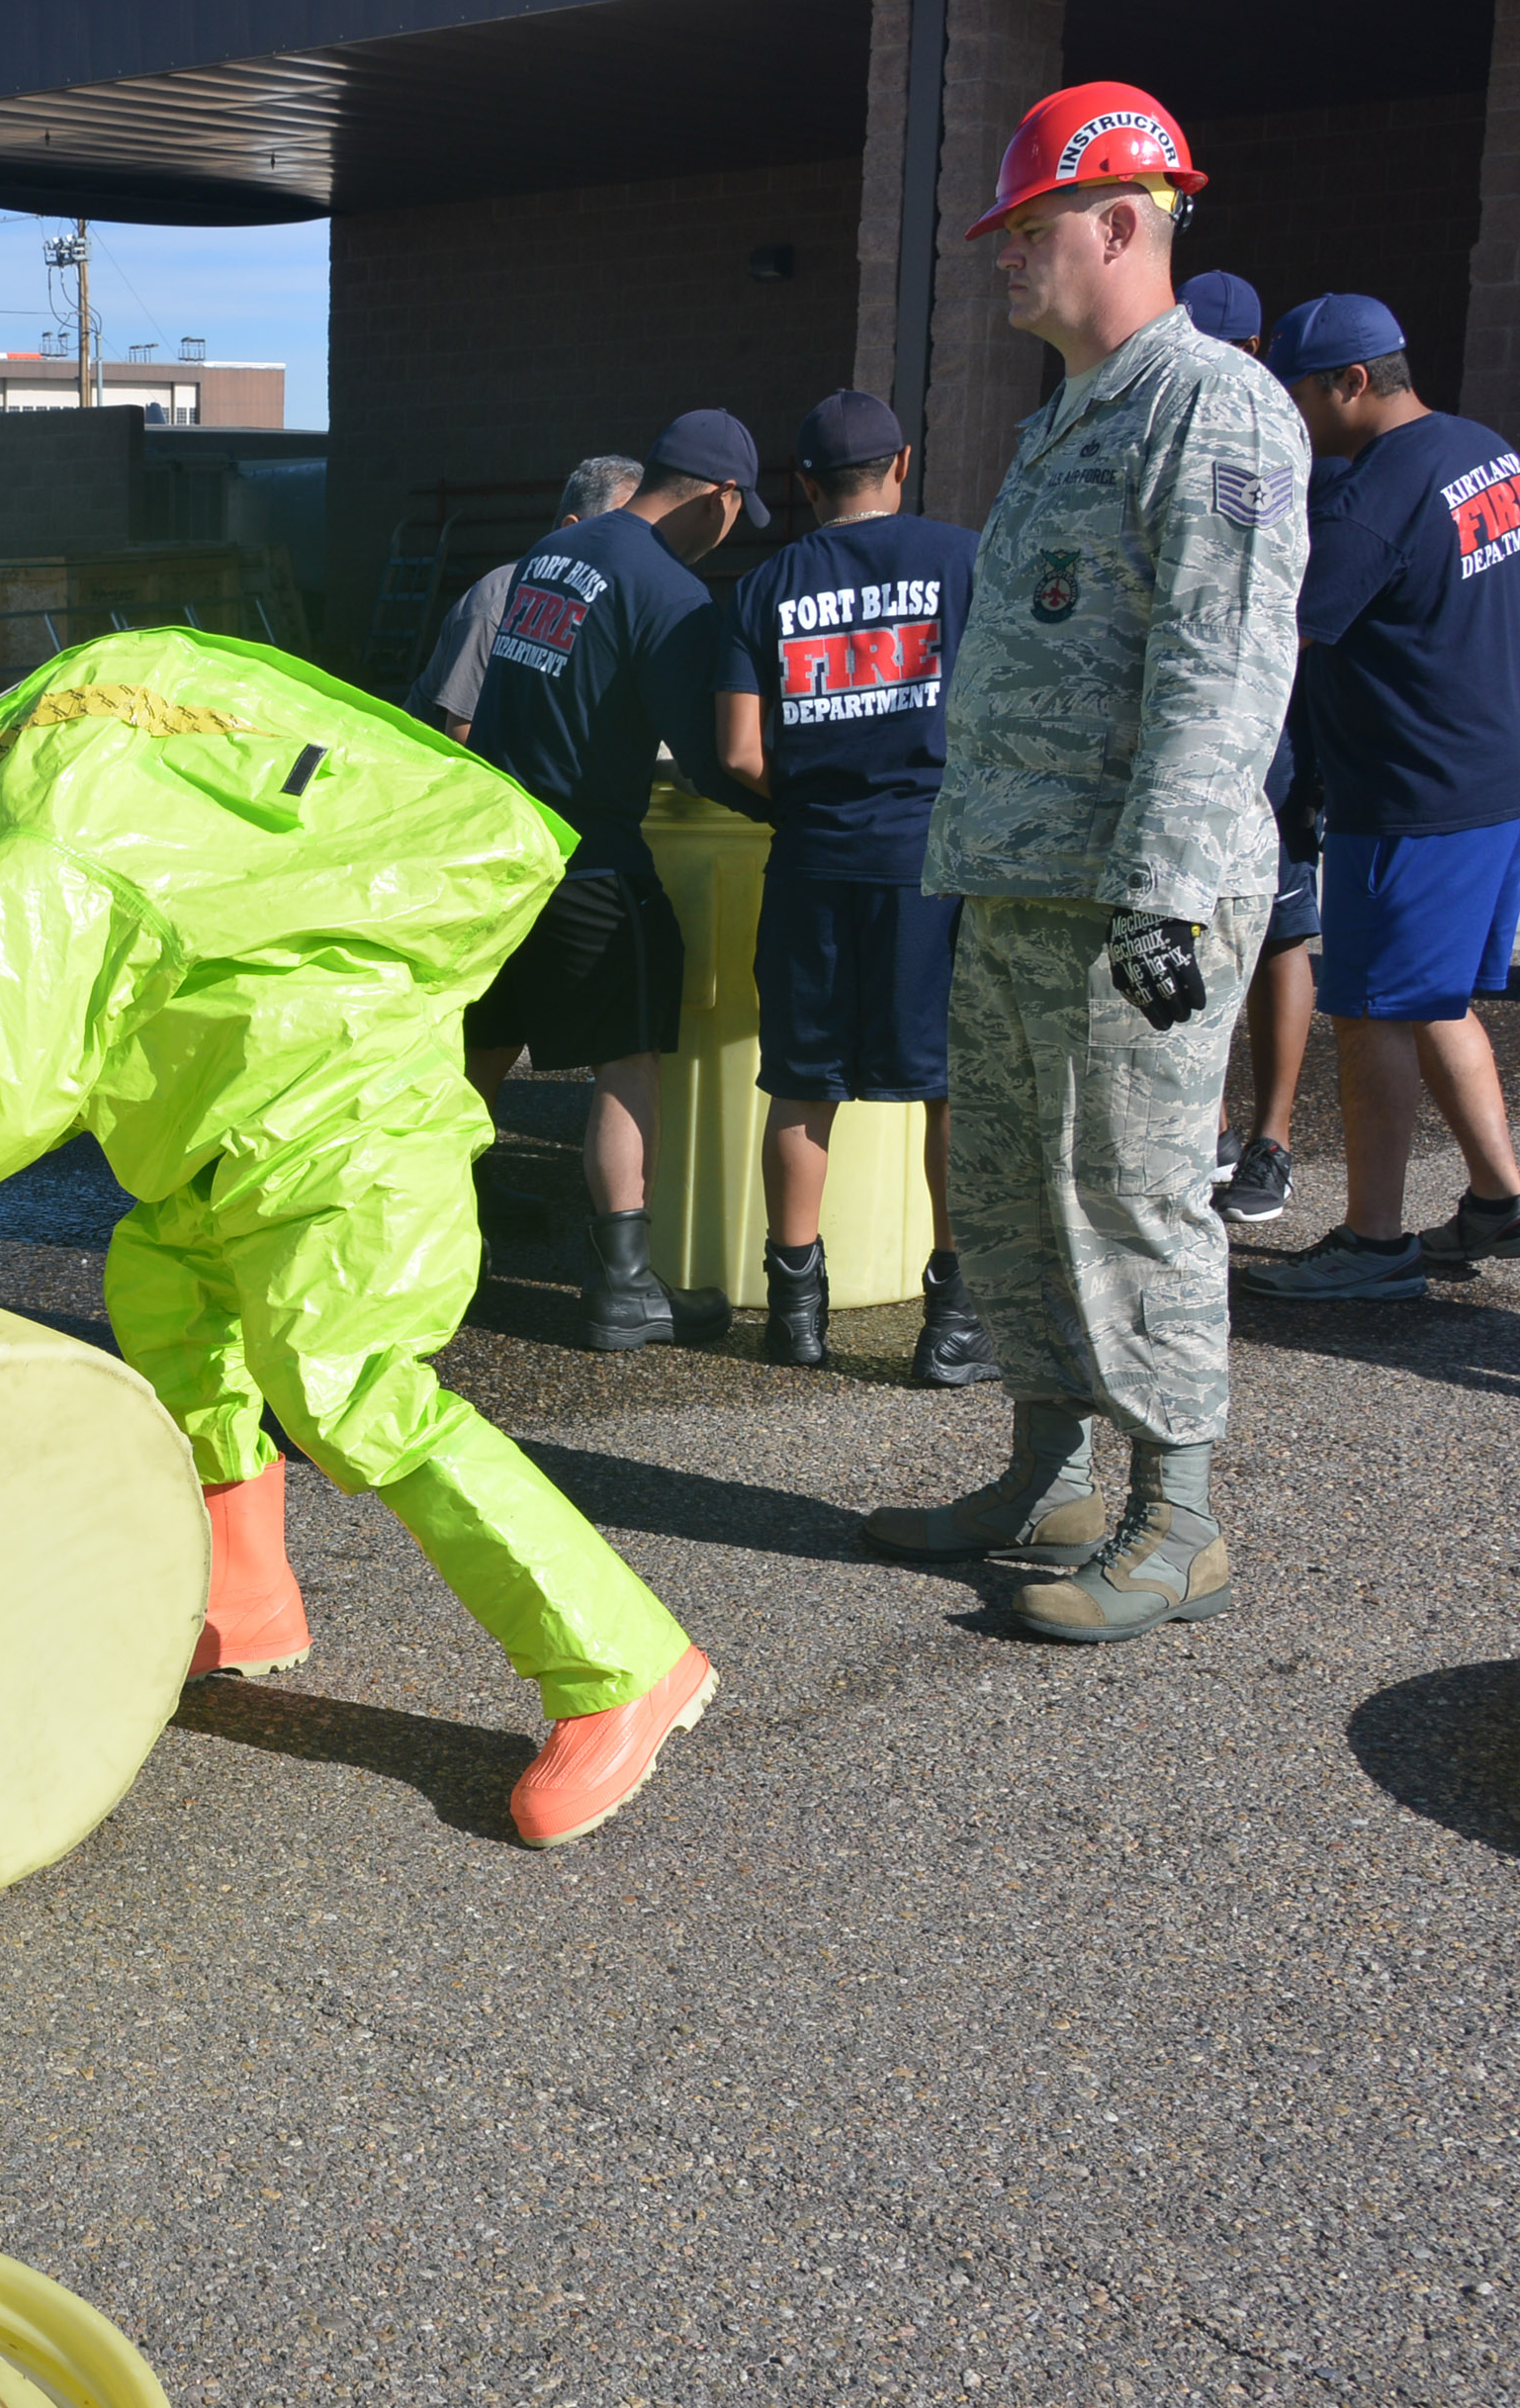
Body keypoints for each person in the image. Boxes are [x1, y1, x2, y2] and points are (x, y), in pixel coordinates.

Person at [0, 630, 719, 1851]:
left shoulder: (22, 863)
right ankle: (248, 1598)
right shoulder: (6, 808)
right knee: (164, 1295)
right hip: (241, 1126)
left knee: (355, 1388)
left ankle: (619, 1662)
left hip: (334, 1124)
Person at [861, 82, 1306, 1649]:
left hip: (1135, 896)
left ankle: (1176, 1514)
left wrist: (1166, 890)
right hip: (1021, 882)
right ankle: (1046, 1473)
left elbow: (1222, 665)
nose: (1003, 259)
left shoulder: (1217, 408)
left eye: (1025, 228)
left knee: (1131, 1200)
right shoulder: (1068, 417)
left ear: (1121, 221)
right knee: (1011, 1193)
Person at [463, 409, 771, 1352]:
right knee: (628, 1061)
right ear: (718, 498)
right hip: (591, 861)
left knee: (481, 1054)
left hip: (503, 851)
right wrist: (786, 805)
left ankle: (437, 1251)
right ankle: (625, 1288)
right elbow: (721, 758)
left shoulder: (552, 557)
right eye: (736, 513)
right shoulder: (669, 593)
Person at [1238, 294, 1520, 1299]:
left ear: (1352, 383)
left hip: (1410, 792)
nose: (1296, 417)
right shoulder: (1486, 449)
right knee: (1426, 994)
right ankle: (1498, 1198)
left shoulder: (1375, 499)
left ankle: (1374, 1243)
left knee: (1367, 1009)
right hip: (1490, 779)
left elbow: (1279, 642)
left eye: (1303, 396)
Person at [710, 390, 990, 1382]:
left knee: (801, 1082)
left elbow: (740, 752)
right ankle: (954, 1325)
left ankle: (796, 1316)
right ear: (902, 464)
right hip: (932, 862)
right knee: (950, 1087)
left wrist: (811, 802)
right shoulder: (965, 559)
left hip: (814, 860)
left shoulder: (765, 584)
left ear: (803, 485)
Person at [1180, 268, 1322, 1227]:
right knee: (1198, 928)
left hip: (1274, 729)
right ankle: (1217, 1128)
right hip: (1203, 731)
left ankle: (1269, 1139)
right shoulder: (1182, 431)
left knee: (1279, 934)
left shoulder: (1276, 440)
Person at [409, 456, 642, 741]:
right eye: (621, 533)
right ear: (571, 529)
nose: (636, 549)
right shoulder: (498, 602)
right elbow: (462, 732)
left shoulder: (606, 606)